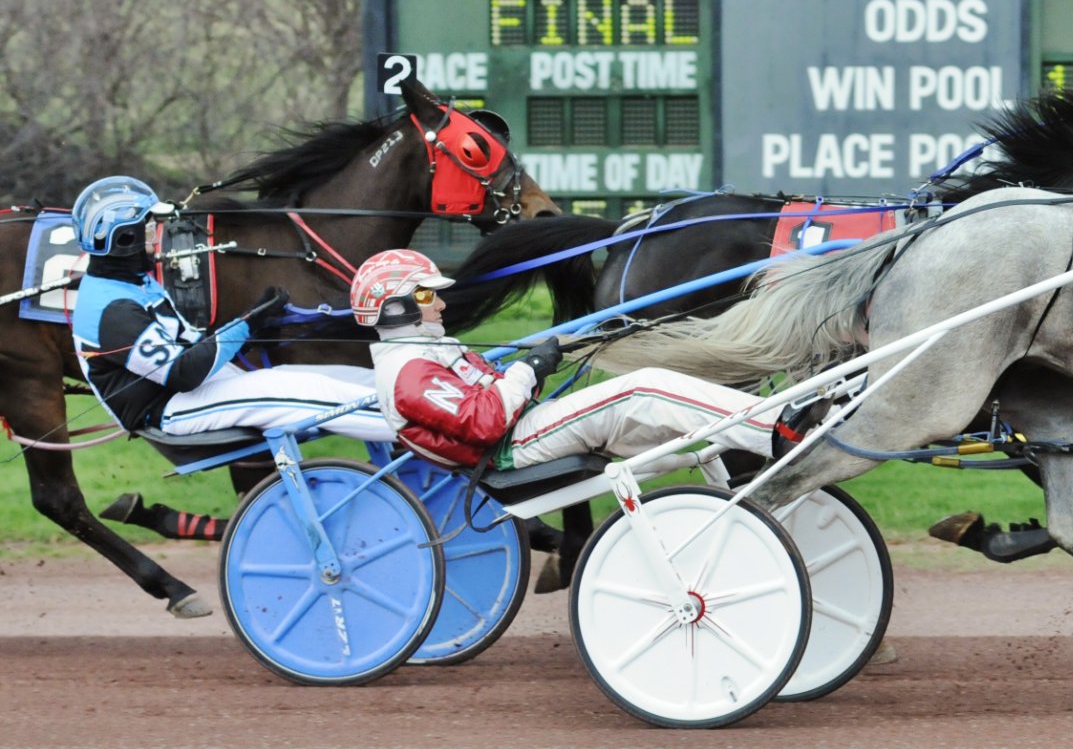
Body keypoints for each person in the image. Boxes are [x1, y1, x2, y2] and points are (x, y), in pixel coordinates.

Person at [354, 248, 773, 472]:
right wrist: (530, 367)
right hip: (512, 447)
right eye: (427, 295)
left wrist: (537, 365)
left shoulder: (421, 354)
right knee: (645, 386)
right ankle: (776, 429)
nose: (441, 303)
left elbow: (491, 399)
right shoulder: (407, 373)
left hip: (527, 428)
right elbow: (485, 422)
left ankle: (753, 460)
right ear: (395, 306)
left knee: (665, 410)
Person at [68, 176, 391, 444]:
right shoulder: (114, 310)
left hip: (202, 387)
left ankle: (411, 401)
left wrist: (259, 322)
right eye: (149, 227)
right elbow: (182, 373)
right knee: (312, 394)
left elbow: (193, 342)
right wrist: (249, 322)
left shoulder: (134, 282)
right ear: (125, 238)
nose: (158, 236)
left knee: (353, 378)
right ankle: (423, 430)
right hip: (171, 408)